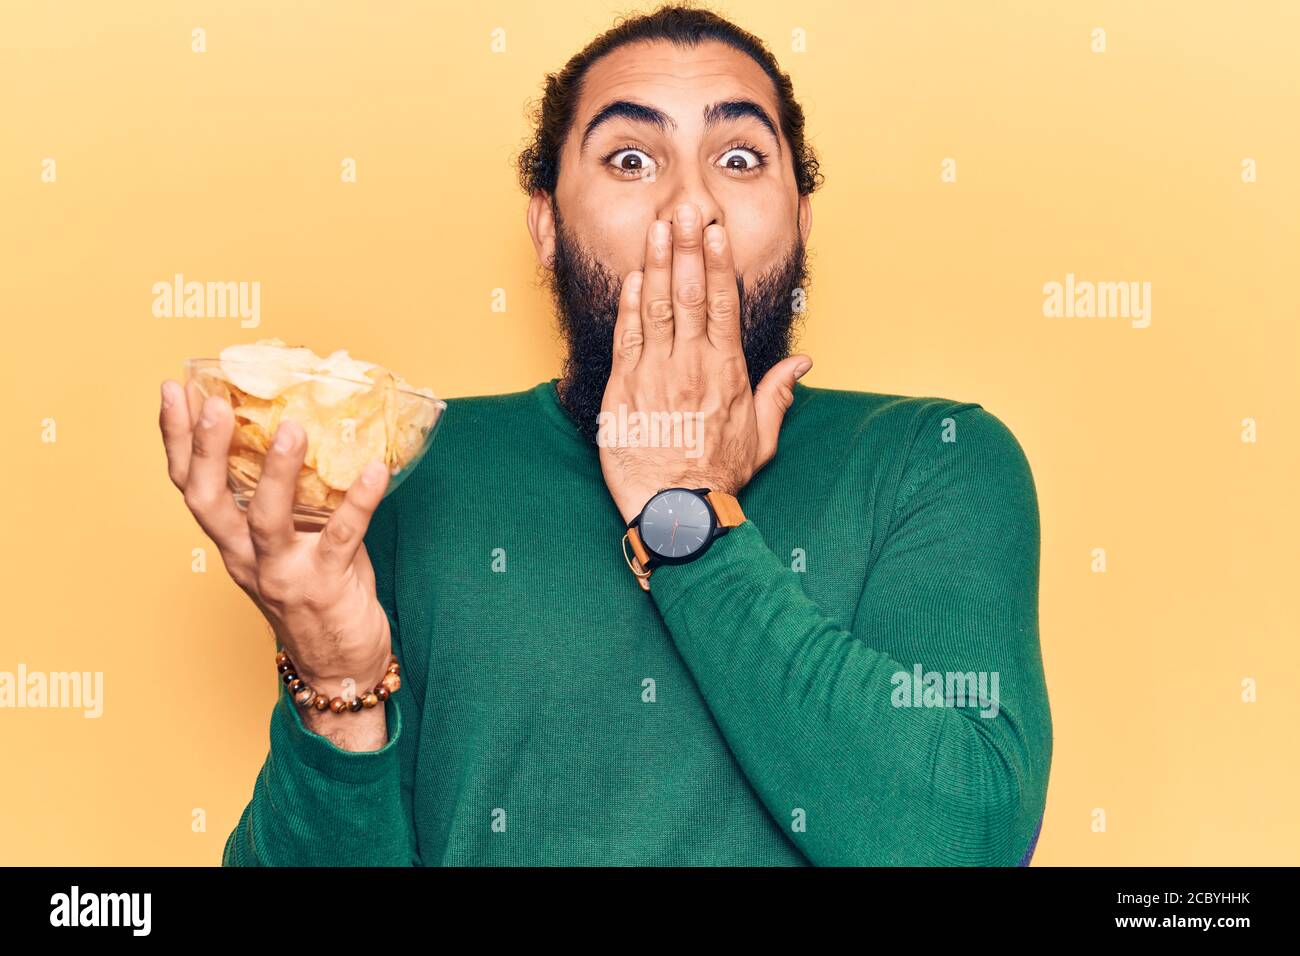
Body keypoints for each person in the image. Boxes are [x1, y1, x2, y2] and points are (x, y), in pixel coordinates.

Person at [159, 3, 1051, 866]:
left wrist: (683, 512)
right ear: (546, 227)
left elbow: (968, 839)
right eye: (630, 159)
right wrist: (336, 686)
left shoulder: (935, 460)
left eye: (739, 158)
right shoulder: (405, 476)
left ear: (802, 220)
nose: (688, 208)